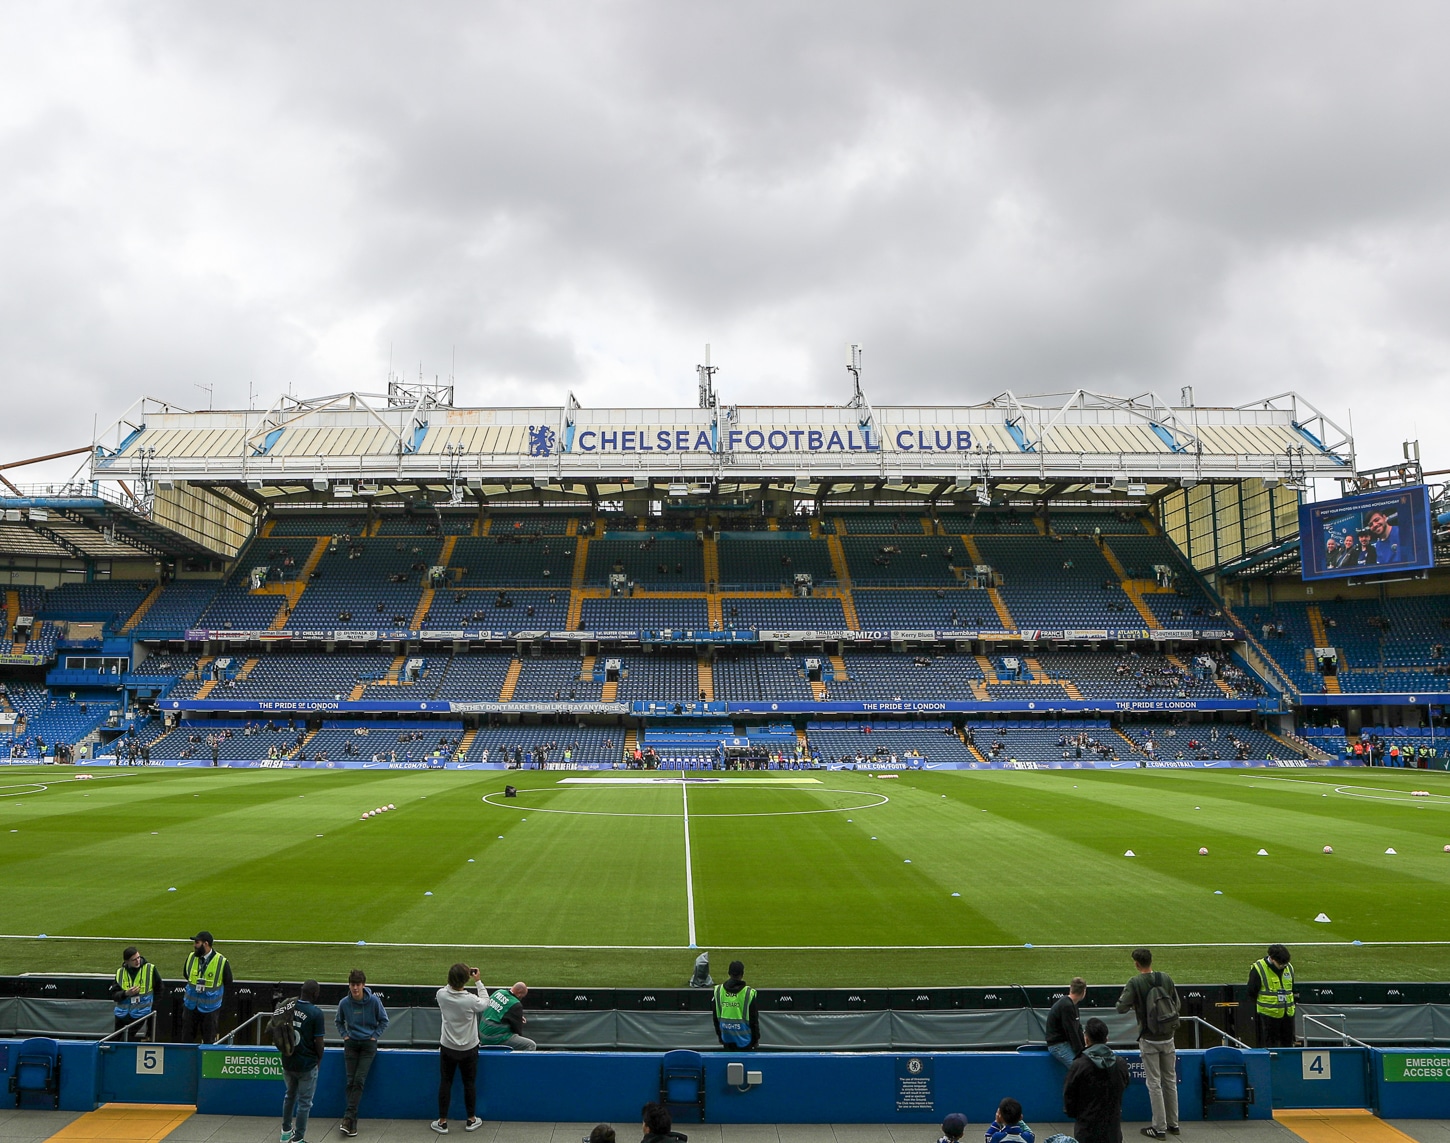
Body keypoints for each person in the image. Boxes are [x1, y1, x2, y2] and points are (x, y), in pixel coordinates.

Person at [1116, 948, 1179, 1139]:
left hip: (1149, 1038)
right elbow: (1176, 1004)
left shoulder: (1135, 982)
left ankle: (1159, 1128)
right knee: (1170, 1080)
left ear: (1136, 963)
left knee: (1154, 1083)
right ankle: (1173, 1124)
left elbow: (1120, 1007)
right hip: (1168, 1036)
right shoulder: (1165, 978)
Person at [433, 962, 488, 1134]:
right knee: (469, 1083)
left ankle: (442, 1122)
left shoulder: (441, 994)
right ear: (465, 980)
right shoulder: (471, 1000)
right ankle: (471, 1119)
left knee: (446, 1082)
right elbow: (485, 1002)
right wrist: (478, 981)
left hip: (448, 1048)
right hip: (469, 1049)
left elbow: (447, 988)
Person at [336, 968, 390, 1137]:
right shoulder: (344, 1003)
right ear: (349, 985)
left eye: (358, 985)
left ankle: (348, 1118)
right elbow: (338, 1021)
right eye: (353, 985)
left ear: (363, 985)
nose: (355, 988)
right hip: (351, 1044)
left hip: (368, 1045)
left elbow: (384, 1020)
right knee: (351, 1081)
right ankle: (351, 1123)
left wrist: (374, 1037)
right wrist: (345, 1036)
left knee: (359, 1080)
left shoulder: (373, 1001)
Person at [1063, 1017, 1131, 1143]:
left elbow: (1069, 1095)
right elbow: (1125, 1084)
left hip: (1086, 1130)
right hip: (1113, 1130)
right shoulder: (1120, 1064)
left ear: (1086, 1038)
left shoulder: (1079, 1065)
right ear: (1106, 1039)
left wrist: (1078, 1114)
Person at [279, 980, 325, 1143]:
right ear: (315, 994)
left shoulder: (287, 1006)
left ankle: (285, 1133)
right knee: (305, 1102)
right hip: (306, 1064)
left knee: (289, 1096)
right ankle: (298, 1138)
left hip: (287, 1061)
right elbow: (318, 1041)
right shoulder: (316, 1013)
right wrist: (319, 1058)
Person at [181, 931, 232, 1044]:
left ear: (206, 944)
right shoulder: (191, 957)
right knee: (186, 1039)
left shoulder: (221, 962)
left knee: (209, 1040)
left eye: (197, 942)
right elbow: (186, 974)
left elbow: (228, 983)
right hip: (190, 1007)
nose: (194, 945)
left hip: (210, 1009)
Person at [1248, 944, 1296, 1048]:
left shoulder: (1289, 967)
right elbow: (1252, 991)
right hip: (1268, 1015)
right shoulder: (1259, 969)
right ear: (1272, 959)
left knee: (1288, 1044)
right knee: (1270, 1045)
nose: (1283, 966)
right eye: (1280, 964)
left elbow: (1292, 987)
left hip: (1287, 1014)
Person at [111, 946, 161, 1042]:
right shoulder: (120, 972)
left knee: (125, 1040)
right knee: (115, 1041)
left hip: (141, 1013)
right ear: (126, 962)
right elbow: (114, 995)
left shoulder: (150, 969)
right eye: (134, 960)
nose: (138, 961)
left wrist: (152, 1007)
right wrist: (126, 993)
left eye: (138, 957)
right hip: (122, 1014)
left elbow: (160, 989)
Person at [712, 960, 759, 1049]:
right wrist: (755, 1040)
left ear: (729, 973)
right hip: (745, 1041)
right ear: (742, 974)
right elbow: (754, 1020)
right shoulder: (748, 993)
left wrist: (720, 1036)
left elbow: (715, 1017)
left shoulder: (718, 991)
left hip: (726, 1038)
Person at [479, 981, 536, 1050]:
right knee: (530, 1045)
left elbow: (498, 1011)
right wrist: (517, 1019)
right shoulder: (515, 1004)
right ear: (519, 994)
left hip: (482, 1035)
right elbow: (517, 1030)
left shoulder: (498, 992)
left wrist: (517, 1016)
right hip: (494, 1038)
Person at [1045, 977, 1086, 1067]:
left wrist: (1084, 1050)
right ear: (1084, 991)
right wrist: (1081, 1052)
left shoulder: (1072, 1005)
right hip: (1058, 1045)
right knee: (1079, 1068)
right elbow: (1071, 1032)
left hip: (1064, 1043)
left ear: (1071, 988)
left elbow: (1077, 1028)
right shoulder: (1067, 1006)